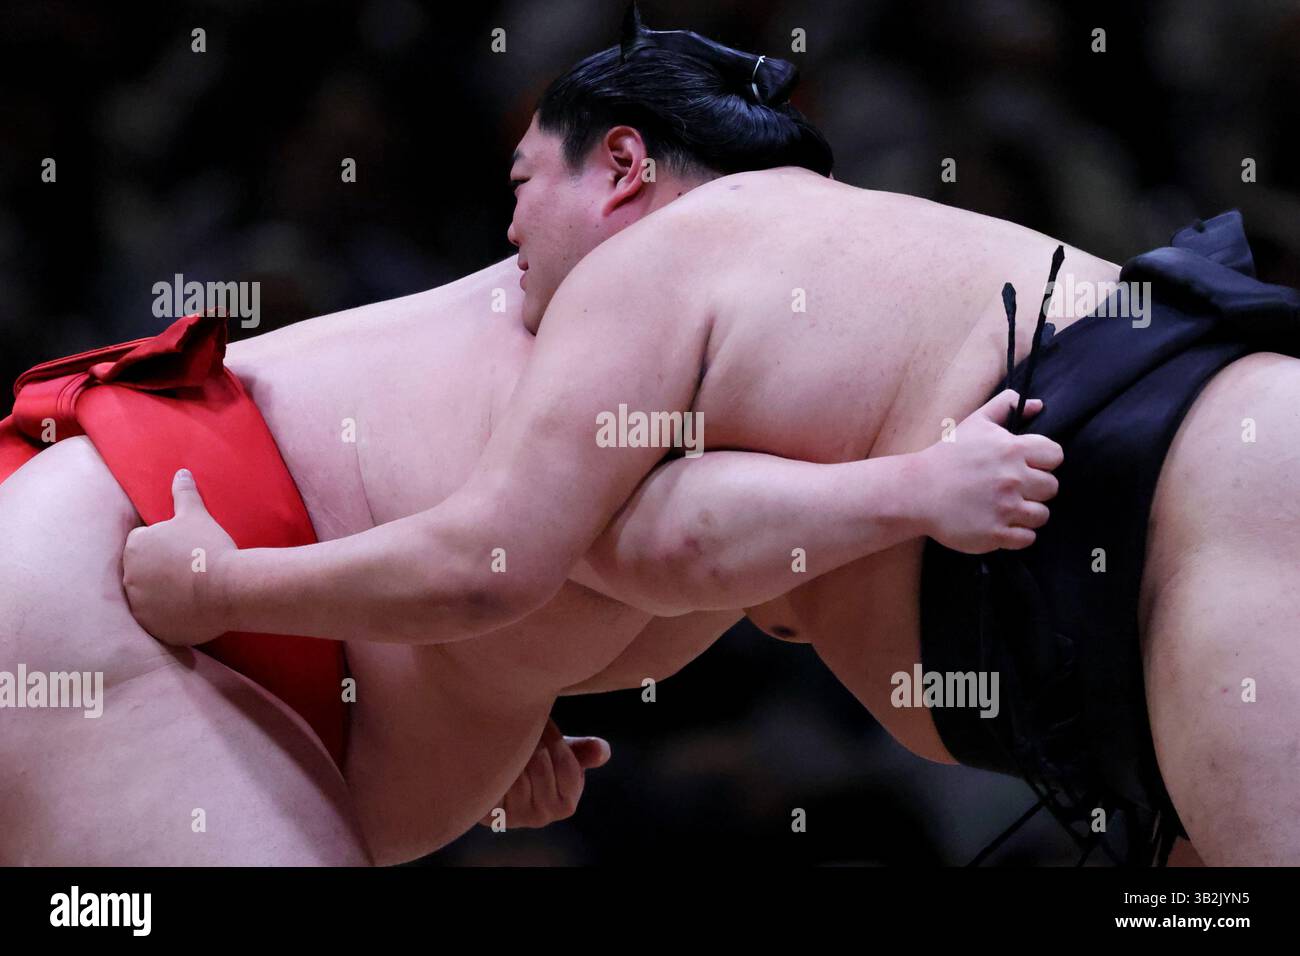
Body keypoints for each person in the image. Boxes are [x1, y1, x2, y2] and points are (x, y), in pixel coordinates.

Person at [126, 10, 1300, 866]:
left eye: (522, 182)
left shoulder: (653, 262)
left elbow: (487, 564)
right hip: (1138, 614)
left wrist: (220, 583)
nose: (508, 232)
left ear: (621, 165)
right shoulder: (773, 323)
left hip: (1187, 504)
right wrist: (510, 715)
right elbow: (658, 553)